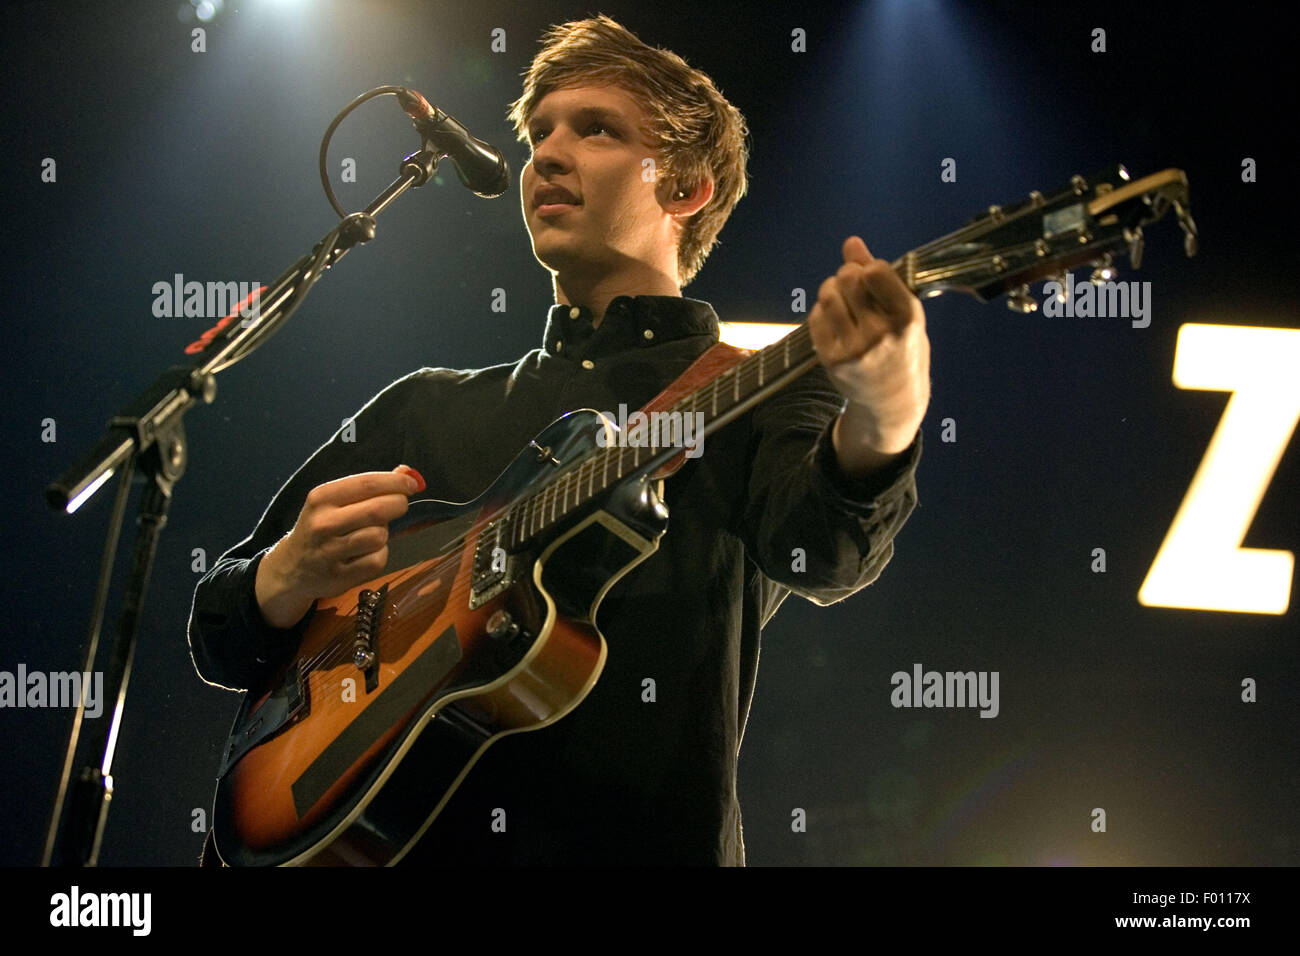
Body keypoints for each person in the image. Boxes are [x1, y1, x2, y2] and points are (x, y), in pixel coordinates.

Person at [189, 14, 930, 865]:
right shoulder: (422, 409)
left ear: (686, 187)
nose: (547, 153)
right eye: (540, 131)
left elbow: (823, 555)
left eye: (598, 129)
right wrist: (283, 577)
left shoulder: (755, 393)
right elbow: (219, 635)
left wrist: (888, 408)